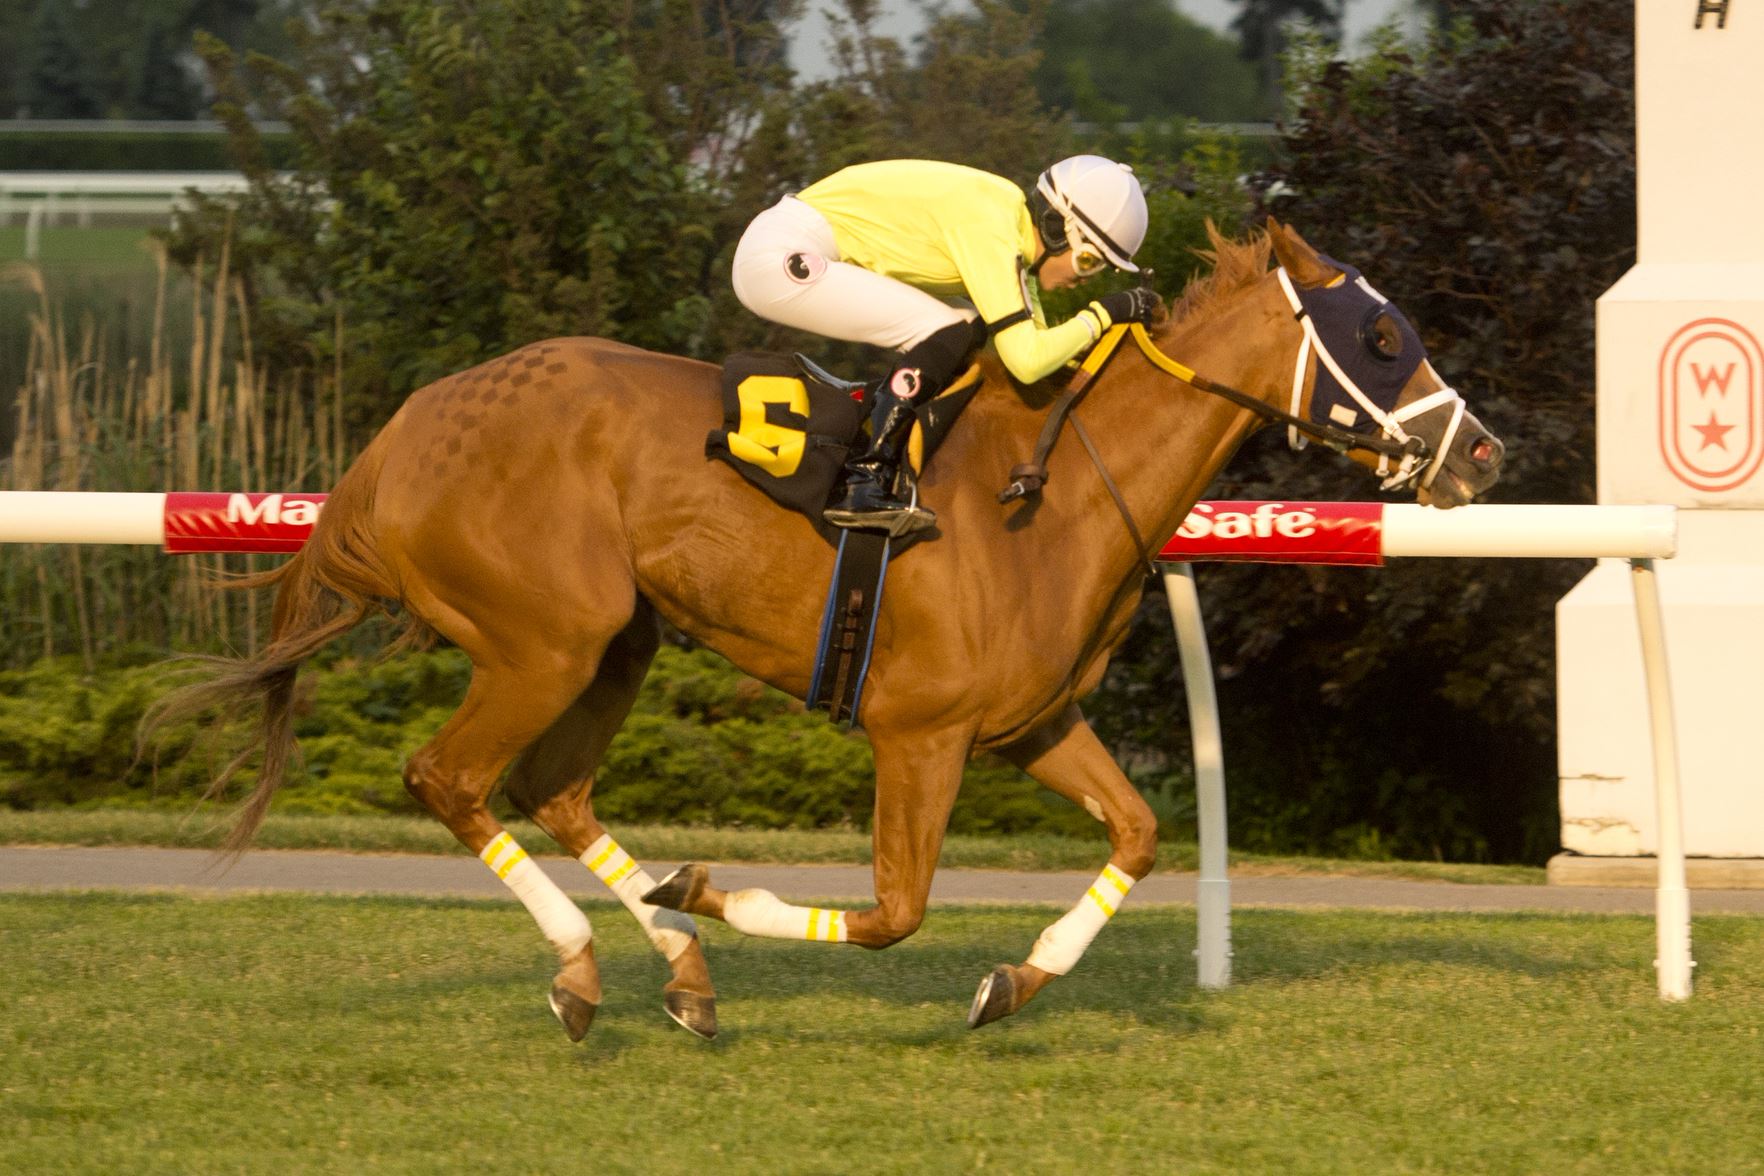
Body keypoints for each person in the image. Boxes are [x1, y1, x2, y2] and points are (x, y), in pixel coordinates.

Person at [730, 155, 1160, 531]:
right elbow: (1025, 362)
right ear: (1055, 229)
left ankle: (891, 456)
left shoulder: (1006, 223)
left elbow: (1040, 351)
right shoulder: (992, 230)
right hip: (777, 255)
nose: (1081, 280)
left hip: (796, 239)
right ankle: (866, 476)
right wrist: (1104, 313)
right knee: (946, 329)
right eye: (1088, 262)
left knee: (966, 323)